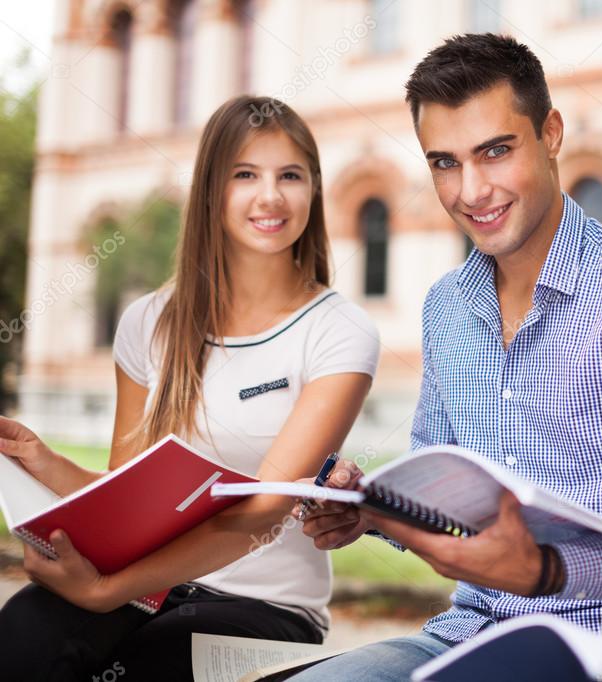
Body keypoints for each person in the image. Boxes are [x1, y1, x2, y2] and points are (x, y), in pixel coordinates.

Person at [294, 33, 602, 681]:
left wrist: (550, 571)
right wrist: (371, 508)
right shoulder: (444, 305)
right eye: (444, 163)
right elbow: (442, 489)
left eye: (495, 152)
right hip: (468, 629)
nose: (471, 190)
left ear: (551, 133)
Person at [0, 95, 380, 681]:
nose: (271, 196)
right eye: (245, 174)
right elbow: (123, 507)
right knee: (23, 634)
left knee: (147, 667)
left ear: (314, 191)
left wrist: (106, 592)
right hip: (148, 587)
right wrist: (43, 463)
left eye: (291, 176)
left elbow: (260, 512)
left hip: (264, 608)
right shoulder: (148, 321)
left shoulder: (339, 331)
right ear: (211, 190)